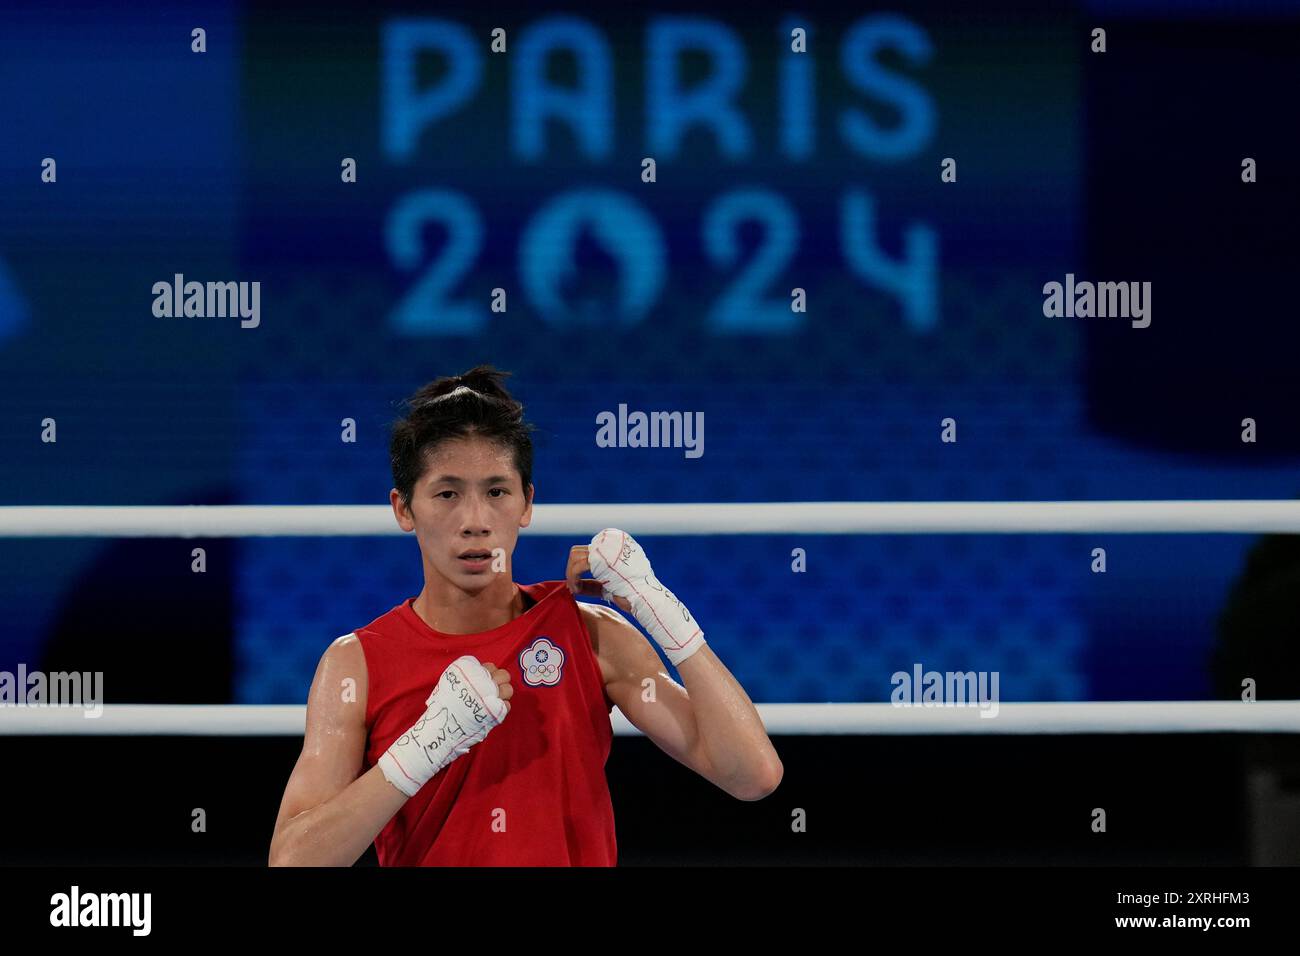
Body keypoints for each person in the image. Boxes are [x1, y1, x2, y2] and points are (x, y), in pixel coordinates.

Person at [268, 365, 782, 866]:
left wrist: (656, 606)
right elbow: (294, 860)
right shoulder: (356, 664)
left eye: (496, 492)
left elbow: (752, 774)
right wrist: (421, 751)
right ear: (404, 509)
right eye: (447, 494)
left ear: (526, 503)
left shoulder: (588, 633)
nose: (475, 522)